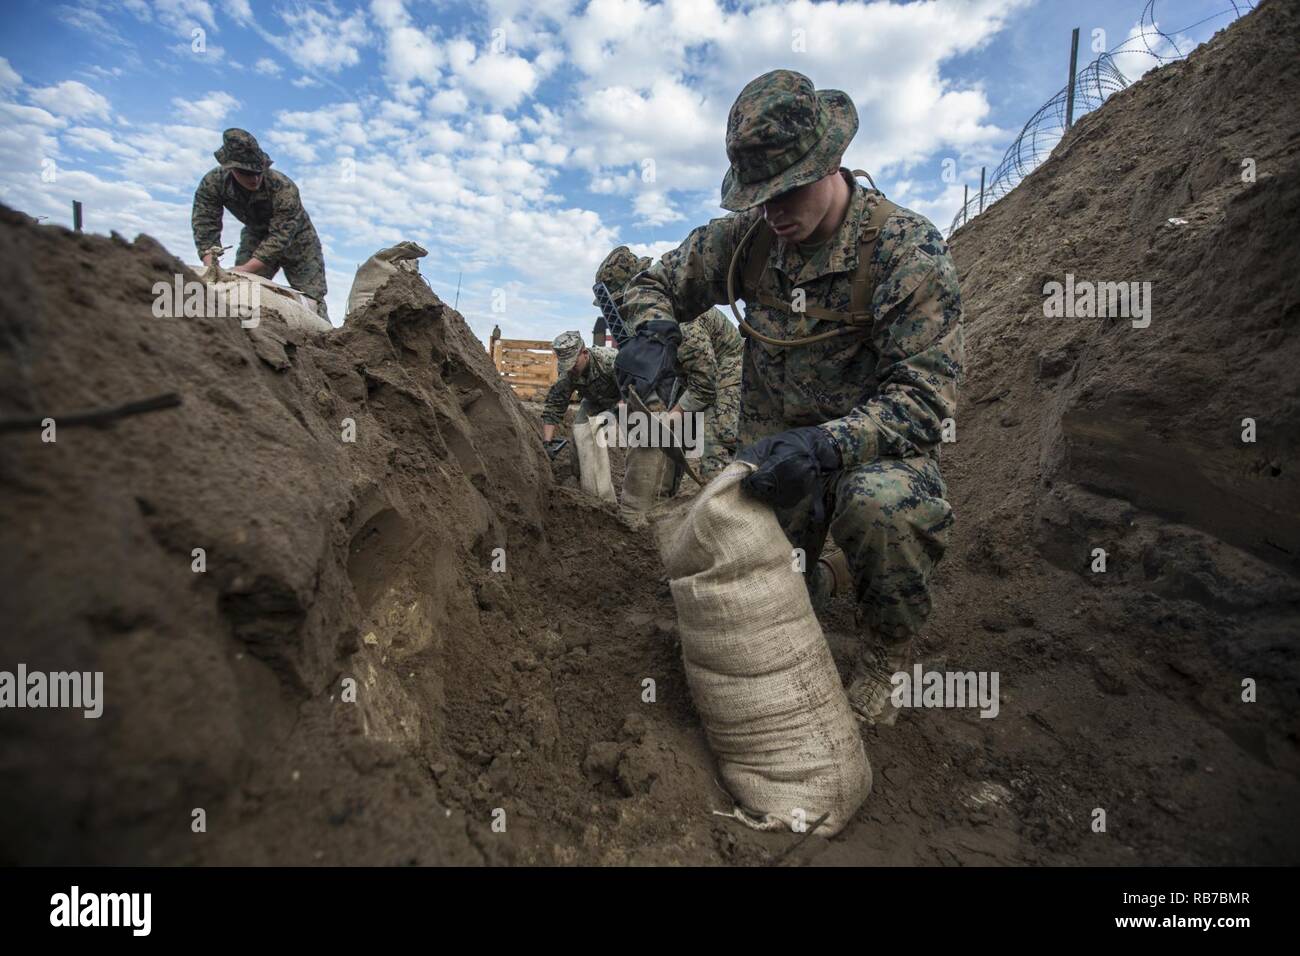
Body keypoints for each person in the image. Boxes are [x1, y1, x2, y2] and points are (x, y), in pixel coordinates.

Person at [619, 70, 964, 725]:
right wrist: (653, 328)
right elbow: (653, 281)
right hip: (772, 452)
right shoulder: (747, 242)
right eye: (760, 194)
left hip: (871, 451)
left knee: (881, 510)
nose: (774, 209)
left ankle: (888, 656)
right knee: (755, 581)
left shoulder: (903, 250)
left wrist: (827, 443)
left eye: (788, 189)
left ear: (830, 163)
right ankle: (818, 581)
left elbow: (926, 401)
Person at [595, 246, 742, 478]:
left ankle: (719, 508)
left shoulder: (679, 322)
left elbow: (704, 384)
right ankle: (665, 503)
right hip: (691, 376)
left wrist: (670, 418)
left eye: (623, 304)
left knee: (715, 448)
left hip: (729, 374)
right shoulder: (647, 326)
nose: (624, 314)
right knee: (671, 442)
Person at [192, 128, 329, 322]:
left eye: (258, 171)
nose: (254, 179)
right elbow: (205, 224)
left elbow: (280, 237)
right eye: (246, 173)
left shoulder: (283, 188)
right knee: (238, 287)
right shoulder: (213, 184)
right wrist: (211, 266)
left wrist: (247, 268)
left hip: (299, 242)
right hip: (255, 236)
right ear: (229, 168)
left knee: (313, 299)